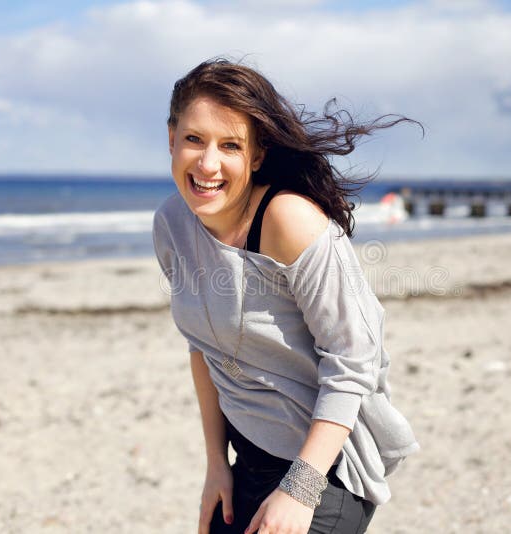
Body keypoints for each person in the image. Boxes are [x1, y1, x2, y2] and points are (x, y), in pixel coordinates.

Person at [152, 58, 419, 534]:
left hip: (328, 464)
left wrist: (301, 487)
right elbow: (203, 348)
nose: (208, 164)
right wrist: (216, 464)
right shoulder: (172, 224)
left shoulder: (288, 220)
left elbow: (355, 357)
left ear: (256, 156)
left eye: (230, 145)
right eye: (194, 139)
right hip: (246, 457)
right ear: (171, 137)